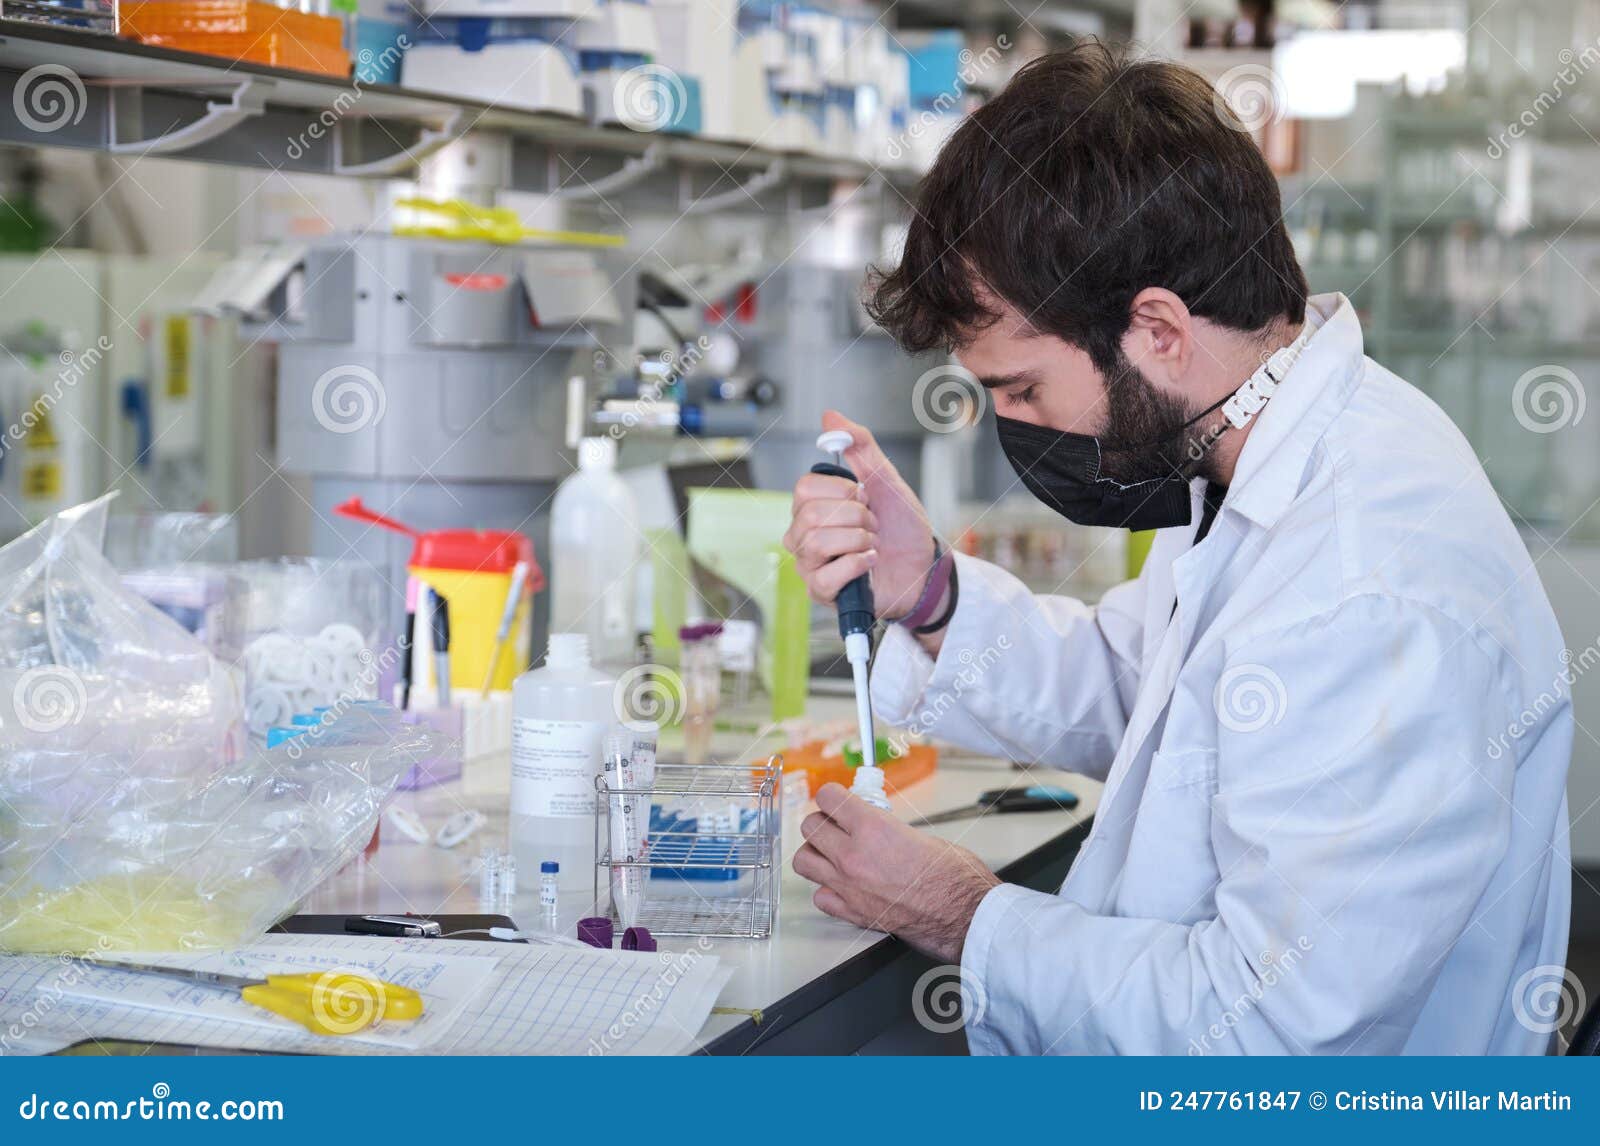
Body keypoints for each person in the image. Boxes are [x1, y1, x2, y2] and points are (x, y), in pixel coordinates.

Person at [782, 41, 1572, 1055]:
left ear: (1155, 328)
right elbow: (1151, 691)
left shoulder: (1362, 580)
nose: (1018, 425)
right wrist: (926, 591)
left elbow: (1274, 1033)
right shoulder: (1270, 449)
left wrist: (968, 917)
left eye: (1023, 390)